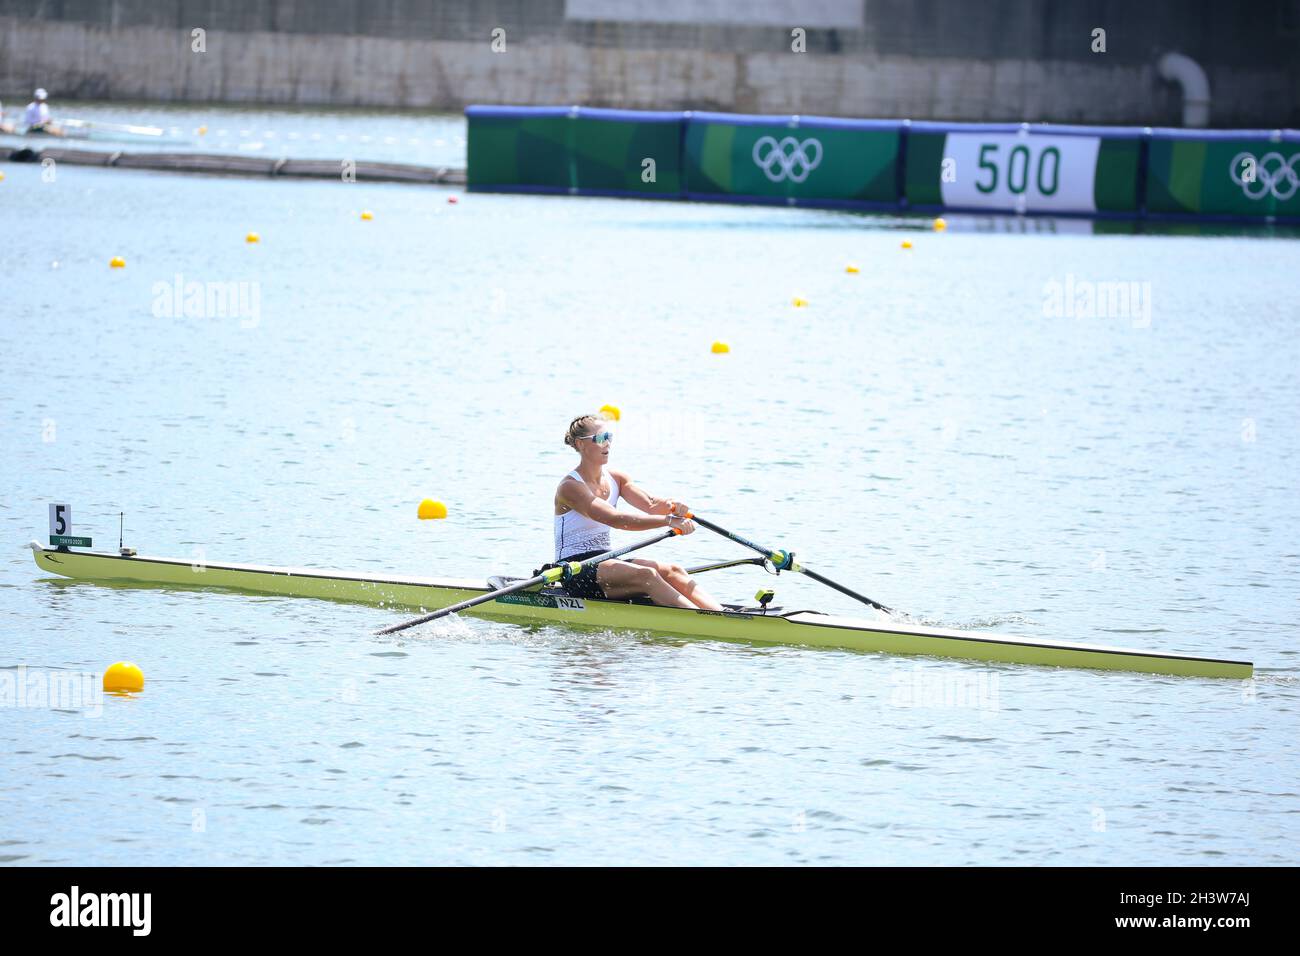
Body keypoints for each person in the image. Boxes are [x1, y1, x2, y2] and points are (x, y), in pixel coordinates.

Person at [553, 414, 724, 610]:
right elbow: (616, 519)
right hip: (575, 570)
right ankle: (699, 621)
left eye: (609, 436)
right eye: (600, 438)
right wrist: (668, 521)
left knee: (673, 570)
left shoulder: (617, 478)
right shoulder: (570, 487)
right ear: (580, 444)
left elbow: (651, 504)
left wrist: (674, 506)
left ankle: (721, 615)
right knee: (646, 575)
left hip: (606, 562)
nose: (607, 443)